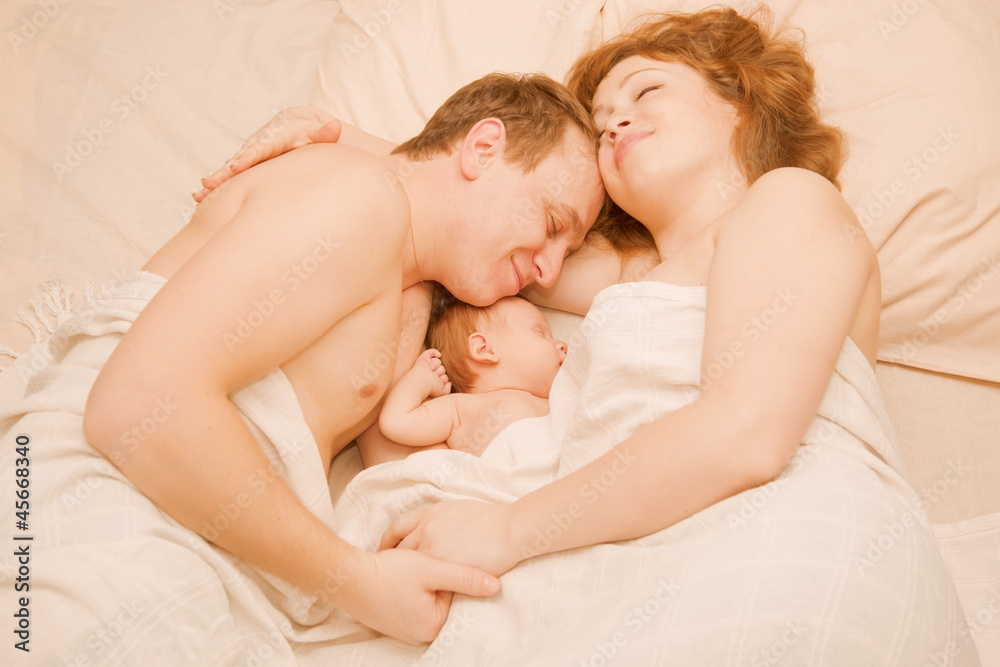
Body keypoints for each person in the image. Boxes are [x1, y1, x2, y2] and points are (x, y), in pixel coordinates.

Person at [198, 7, 973, 662]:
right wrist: (337, 135)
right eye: (601, 126)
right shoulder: (635, 280)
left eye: (645, 91)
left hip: (789, 543)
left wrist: (504, 530)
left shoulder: (791, 202)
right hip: (654, 559)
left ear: (739, 102)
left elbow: (748, 436)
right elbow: (466, 205)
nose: (616, 124)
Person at [76, 71, 605, 645]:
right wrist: (364, 584)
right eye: (553, 226)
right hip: (107, 519)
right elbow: (134, 405)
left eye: (566, 251)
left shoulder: (408, 273)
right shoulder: (359, 196)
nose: (550, 270)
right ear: (482, 148)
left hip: (200, 544)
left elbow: (644, 272)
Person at [377, 296, 566, 460]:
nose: (562, 344)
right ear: (484, 349)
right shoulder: (460, 408)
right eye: (541, 334)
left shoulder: (560, 399)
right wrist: (423, 377)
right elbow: (395, 421)